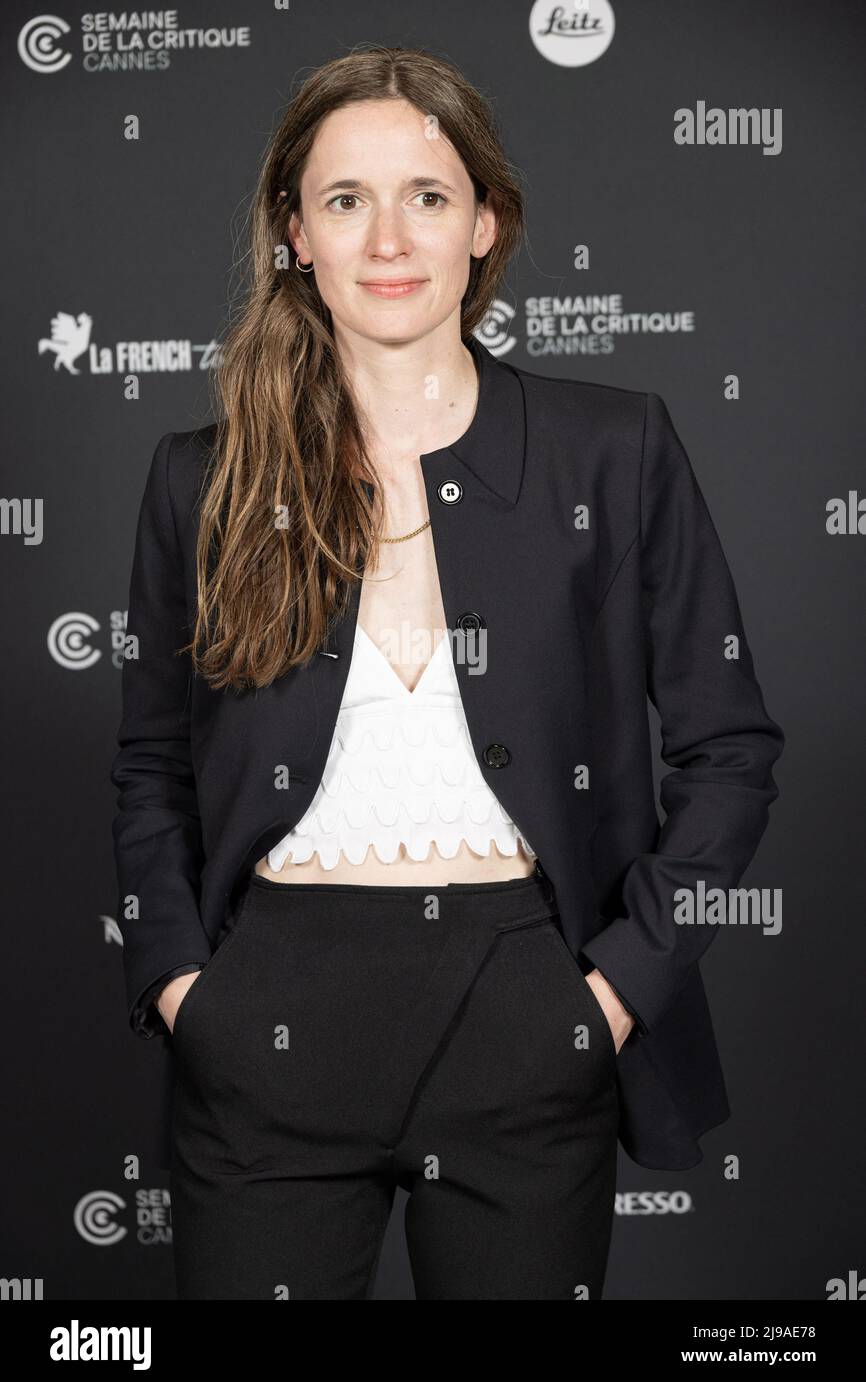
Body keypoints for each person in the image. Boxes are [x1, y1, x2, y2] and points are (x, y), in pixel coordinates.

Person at [111, 45, 784, 1300]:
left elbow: (729, 749)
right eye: (344, 198)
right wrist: (179, 985)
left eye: (425, 194)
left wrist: (613, 993)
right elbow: (152, 764)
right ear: (293, 235)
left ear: (484, 221)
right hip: (265, 1021)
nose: (387, 237)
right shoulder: (199, 478)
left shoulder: (612, 449)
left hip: (527, 1011)